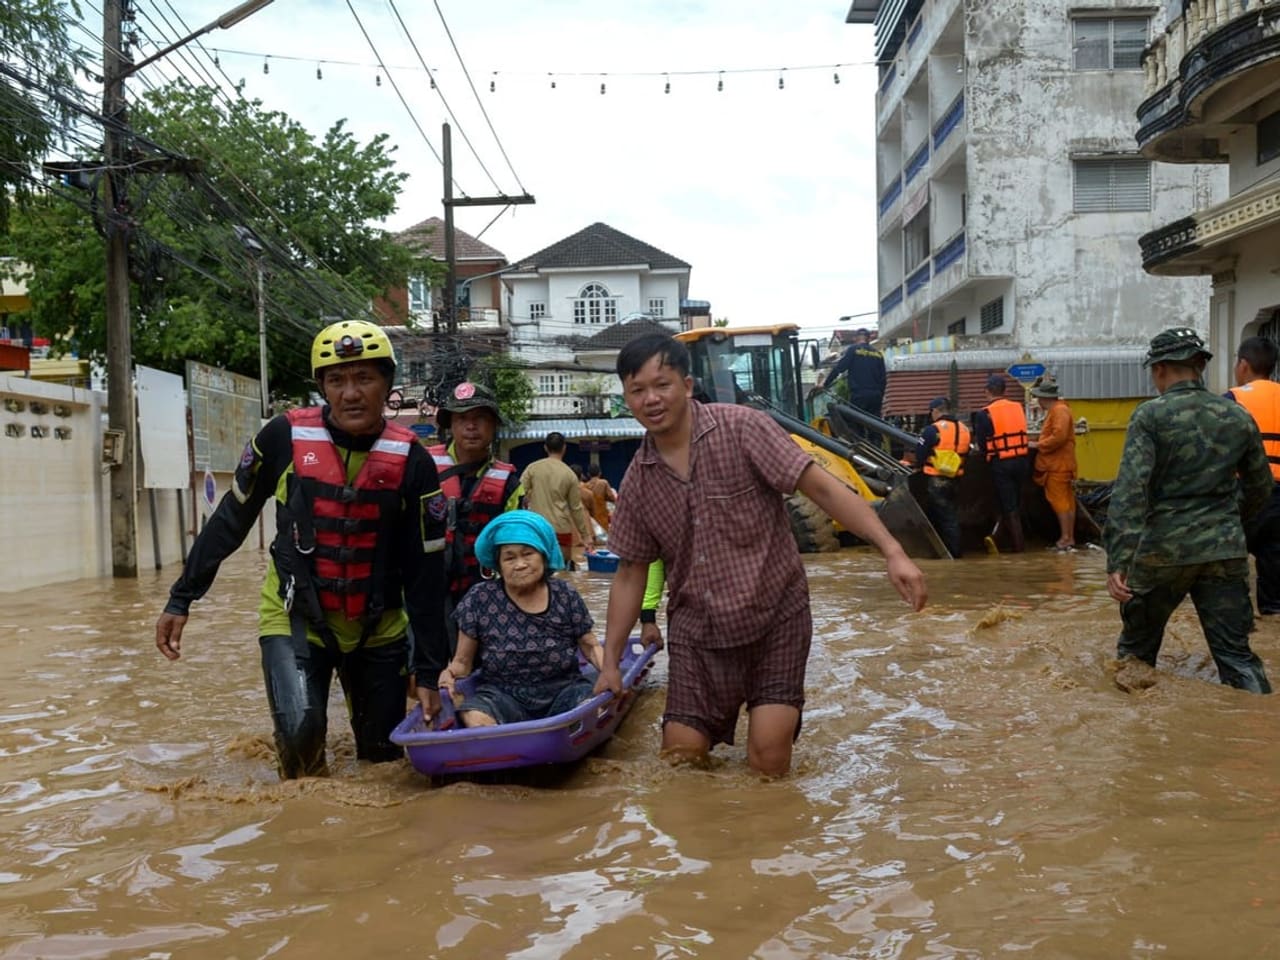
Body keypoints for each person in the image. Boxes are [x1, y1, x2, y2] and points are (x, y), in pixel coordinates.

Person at [594, 333, 927, 777]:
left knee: (768, 761)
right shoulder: (638, 482)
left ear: (687, 386)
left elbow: (823, 488)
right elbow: (630, 573)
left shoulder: (743, 429)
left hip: (776, 619)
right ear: (627, 399)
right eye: (637, 390)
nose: (651, 399)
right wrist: (610, 664)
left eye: (662, 384)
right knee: (680, 761)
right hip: (699, 633)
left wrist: (892, 551)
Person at [154, 319, 450, 778]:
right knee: (300, 739)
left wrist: (429, 670)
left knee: (383, 763)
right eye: (337, 380)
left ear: (387, 384)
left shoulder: (415, 462)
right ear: (322, 388)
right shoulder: (281, 438)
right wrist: (182, 597)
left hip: (379, 627)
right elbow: (232, 518)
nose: (351, 393)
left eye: (364, 378)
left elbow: (425, 572)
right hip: (294, 618)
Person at [1105, 327, 1273, 694]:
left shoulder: (1150, 416)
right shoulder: (1237, 416)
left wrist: (1118, 559)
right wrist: (1229, 523)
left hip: (1161, 552)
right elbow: (1261, 486)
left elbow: (1130, 493)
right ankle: (1259, 722)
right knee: (1237, 658)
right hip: (1224, 550)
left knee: (1135, 656)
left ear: (1160, 369)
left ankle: (1132, 727)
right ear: (1200, 366)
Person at [439, 511, 603, 726]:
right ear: (498, 564)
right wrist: (449, 674)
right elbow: (462, 662)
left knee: (592, 707)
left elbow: (590, 646)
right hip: (502, 695)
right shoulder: (480, 598)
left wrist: (610, 672)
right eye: (509, 558)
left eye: (528, 554)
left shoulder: (565, 594)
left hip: (565, 689)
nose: (520, 564)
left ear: (543, 556)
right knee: (474, 716)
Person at [427, 380, 522, 644]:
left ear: (494, 426)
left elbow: (517, 546)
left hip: (485, 594)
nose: (471, 426)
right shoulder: (424, 467)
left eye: (480, 418)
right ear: (450, 425)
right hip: (430, 593)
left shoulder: (509, 483)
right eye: (462, 419)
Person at [1226, 336, 1280, 615]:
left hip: (1243, 492)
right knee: (1274, 562)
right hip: (1279, 499)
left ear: (1244, 365)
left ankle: (1240, 620)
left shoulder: (1232, 399)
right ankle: (1272, 614)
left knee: (1231, 563)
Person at [973, 373, 1030, 553]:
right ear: (1005, 391)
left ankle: (1019, 548)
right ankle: (1000, 538)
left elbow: (982, 444)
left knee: (1008, 504)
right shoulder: (1018, 407)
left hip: (1001, 463)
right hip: (1022, 460)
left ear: (987, 391)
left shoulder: (984, 413)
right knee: (1014, 502)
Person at [521, 431, 594, 570]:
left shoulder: (533, 468)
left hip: (537, 527)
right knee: (563, 571)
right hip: (561, 529)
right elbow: (576, 508)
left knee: (537, 569)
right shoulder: (569, 474)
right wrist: (586, 536)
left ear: (545, 447)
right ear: (564, 448)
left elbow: (518, 493)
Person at [915, 396, 970, 558]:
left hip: (937, 479)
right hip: (956, 478)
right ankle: (943, 551)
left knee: (947, 518)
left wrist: (920, 464)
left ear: (935, 411)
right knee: (945, 514)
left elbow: (920, 454)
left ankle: (954, 555)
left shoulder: (933, 430)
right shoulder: (964, 429)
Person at [1028, 374, 1077, 552]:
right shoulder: (1060, 410)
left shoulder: (1059, 411)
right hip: (1062, 464)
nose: (1037, 402)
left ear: (1044, 398)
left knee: (1059, 502)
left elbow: (1059, 437)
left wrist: (1037, 445)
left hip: (1057, 465)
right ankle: (1068, 538)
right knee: (1067, 502)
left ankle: (1065, 538)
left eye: (1038, 398)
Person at [820, 327, 887, 436]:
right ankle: (876, 444)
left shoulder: (853, 350)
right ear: (869, 339)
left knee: (857, 425)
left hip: (859, 395)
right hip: (875, 396)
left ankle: (861, 444)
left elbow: (839, 368)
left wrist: (825, 384)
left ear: (856, 338)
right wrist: (880, 396)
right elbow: (883, 379)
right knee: (875, 427)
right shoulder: (878, 354)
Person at [585, 463, 617, 534]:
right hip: (602, 517)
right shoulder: (603, 483)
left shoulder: (585, 486)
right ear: (600, 473)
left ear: (588, 474)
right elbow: (612, 497)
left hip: (590, 519)